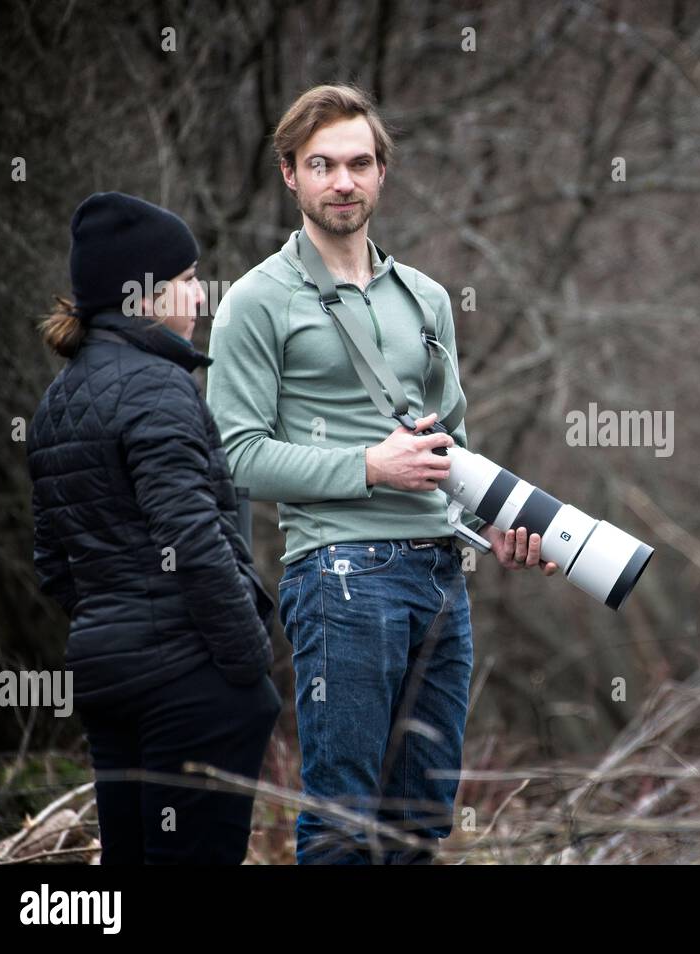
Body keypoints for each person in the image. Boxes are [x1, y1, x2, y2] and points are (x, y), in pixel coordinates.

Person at [206, 84, 554, 865]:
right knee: (342, 822)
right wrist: (368, 464)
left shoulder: (426, 298)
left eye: (359, 163)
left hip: (440, 576)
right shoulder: (257, 302)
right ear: (290, 174)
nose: (343, 182)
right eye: (322, 165)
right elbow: (234, 454)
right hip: (339, 576)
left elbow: (450, 448)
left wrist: (492, 525)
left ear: (381, 173)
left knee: (420, 823)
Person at [27, 192, 282, 864]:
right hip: (191, 681)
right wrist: (247, 664)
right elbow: (192, 538)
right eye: (189, 280)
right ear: (142, 296)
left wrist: (116, 626)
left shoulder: (56, 403)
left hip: (107, 679)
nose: (200, 298)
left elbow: (53, 561)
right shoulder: (157, 387)